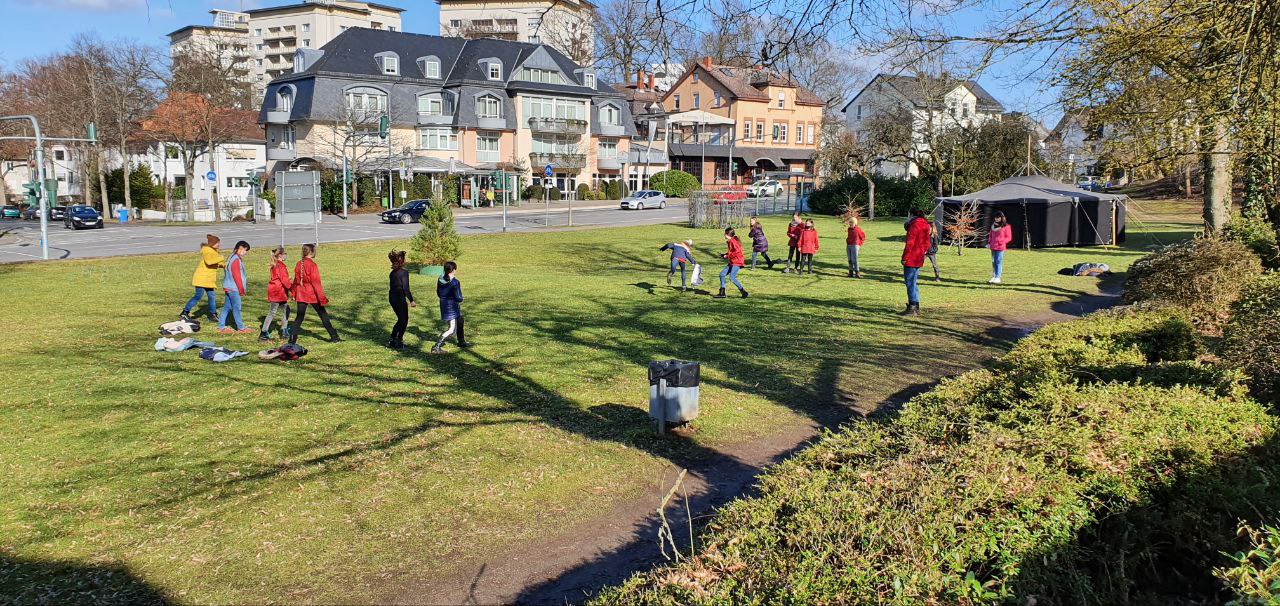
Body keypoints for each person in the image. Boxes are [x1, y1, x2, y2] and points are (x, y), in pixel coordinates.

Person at [289, 243, 340, 343]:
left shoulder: (299, 263)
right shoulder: (312, 265)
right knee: (323, 315)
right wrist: (322, 298)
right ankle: (334, 337)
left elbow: (296, 281)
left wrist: (294, 293)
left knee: (299, 317)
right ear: (311, 252)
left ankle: (292, 339)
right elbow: (316, 283)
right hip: (312, 294)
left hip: (302, 293)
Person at [180, 234, 225, 322]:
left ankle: (213, 315)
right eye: (217, 243)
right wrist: (221, 258)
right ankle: (184, 313)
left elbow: (213, 263)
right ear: (213, 243)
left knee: (211, 296)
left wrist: (224, 265)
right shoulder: (207, 250)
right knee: (198, 296)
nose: (219, 244)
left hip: (208, 280)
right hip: (201, 279)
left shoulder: (213, 251)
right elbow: (209, 262)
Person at [217, 241, 253, 333]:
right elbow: (237, 276)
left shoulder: (231, 257)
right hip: (234, 288)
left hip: (228, 286)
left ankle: (221, 327)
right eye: (245, 250)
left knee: (227, 307)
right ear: (240, 248)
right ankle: (241, 328)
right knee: (237, 307)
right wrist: (241, 290)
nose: (245, 252)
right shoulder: (236, 259)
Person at [901, 209, 932, 316]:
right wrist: (922, 252)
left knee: (909, 283)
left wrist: (905, 257)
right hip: (919, 256)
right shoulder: (926, 224)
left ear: (911, 215)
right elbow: (927, 243)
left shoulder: (914, 224)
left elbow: (910, 243)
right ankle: (916, 306)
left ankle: (912, 307)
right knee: (913, 282)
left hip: (911, 257)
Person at [433, 260, 468, 353]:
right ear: (453, 270)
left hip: (444, 304)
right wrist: (460, 299)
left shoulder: (440, 278)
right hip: (452, 307)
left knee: (460, 320)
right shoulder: (455, 282)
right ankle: (436, 346)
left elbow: (438, 293)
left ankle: (461, 342)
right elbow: (459, 297)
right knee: (451, 330)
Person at [260, 247, 292, 341]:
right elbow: (285, 281)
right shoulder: (280, 266)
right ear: (281, 255)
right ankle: (264, 333)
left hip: (275, 291)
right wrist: (292, 288)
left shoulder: (275, 264)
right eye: (285, 253)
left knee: (285, 309)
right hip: (279, 292)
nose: (286, 255)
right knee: (272, 312)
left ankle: (283, 330)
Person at [387, 250, 415, 350]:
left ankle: (392, 340)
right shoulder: (404, 273)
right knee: (404, 320)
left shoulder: (392, 273)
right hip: (399, 298)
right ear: (402, 261)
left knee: (400, 319)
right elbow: (405, 288)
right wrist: (411, 300)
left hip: (392, 297)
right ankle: (399, 341)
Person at [715, 227, 748, 299]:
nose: (724, 234)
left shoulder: (733, 241)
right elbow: (732, 252)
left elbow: (737, 251)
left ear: (728, 234)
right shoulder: (731, 241)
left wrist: (728, 255)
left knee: (732, 278)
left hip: (737, 262)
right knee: (722, 274)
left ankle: (743, 292)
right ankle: (722, 292)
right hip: (732, 262)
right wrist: (724, 255)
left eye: (725, 233)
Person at [988, 210, 1013, 284]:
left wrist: (1001, 242)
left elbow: (1009, 237)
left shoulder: (1006, 226)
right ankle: (994, 276)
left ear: (1002, 218)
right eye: (995, 218)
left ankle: (998, 277)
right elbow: (990, 235)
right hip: (993, 246)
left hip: (1000, 247)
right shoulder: (993, 226)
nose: (996, 219)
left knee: (998, 261)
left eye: (998, 217)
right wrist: (989, 242)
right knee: (993, 262)